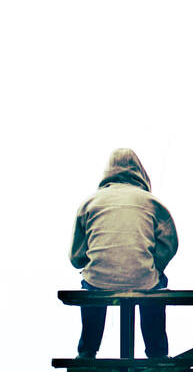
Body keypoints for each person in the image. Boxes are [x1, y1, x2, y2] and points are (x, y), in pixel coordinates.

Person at [70, 148, 178, 359]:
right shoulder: (152, 203)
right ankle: (157, 353)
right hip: (142, 280)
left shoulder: (90, 203)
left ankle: (87, 351)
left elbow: (76, 258)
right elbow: (170, 245)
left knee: (90, 284)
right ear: (140, 172)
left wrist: (94, 260)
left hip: (99, 283)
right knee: (156, 287)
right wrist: (154, 264)